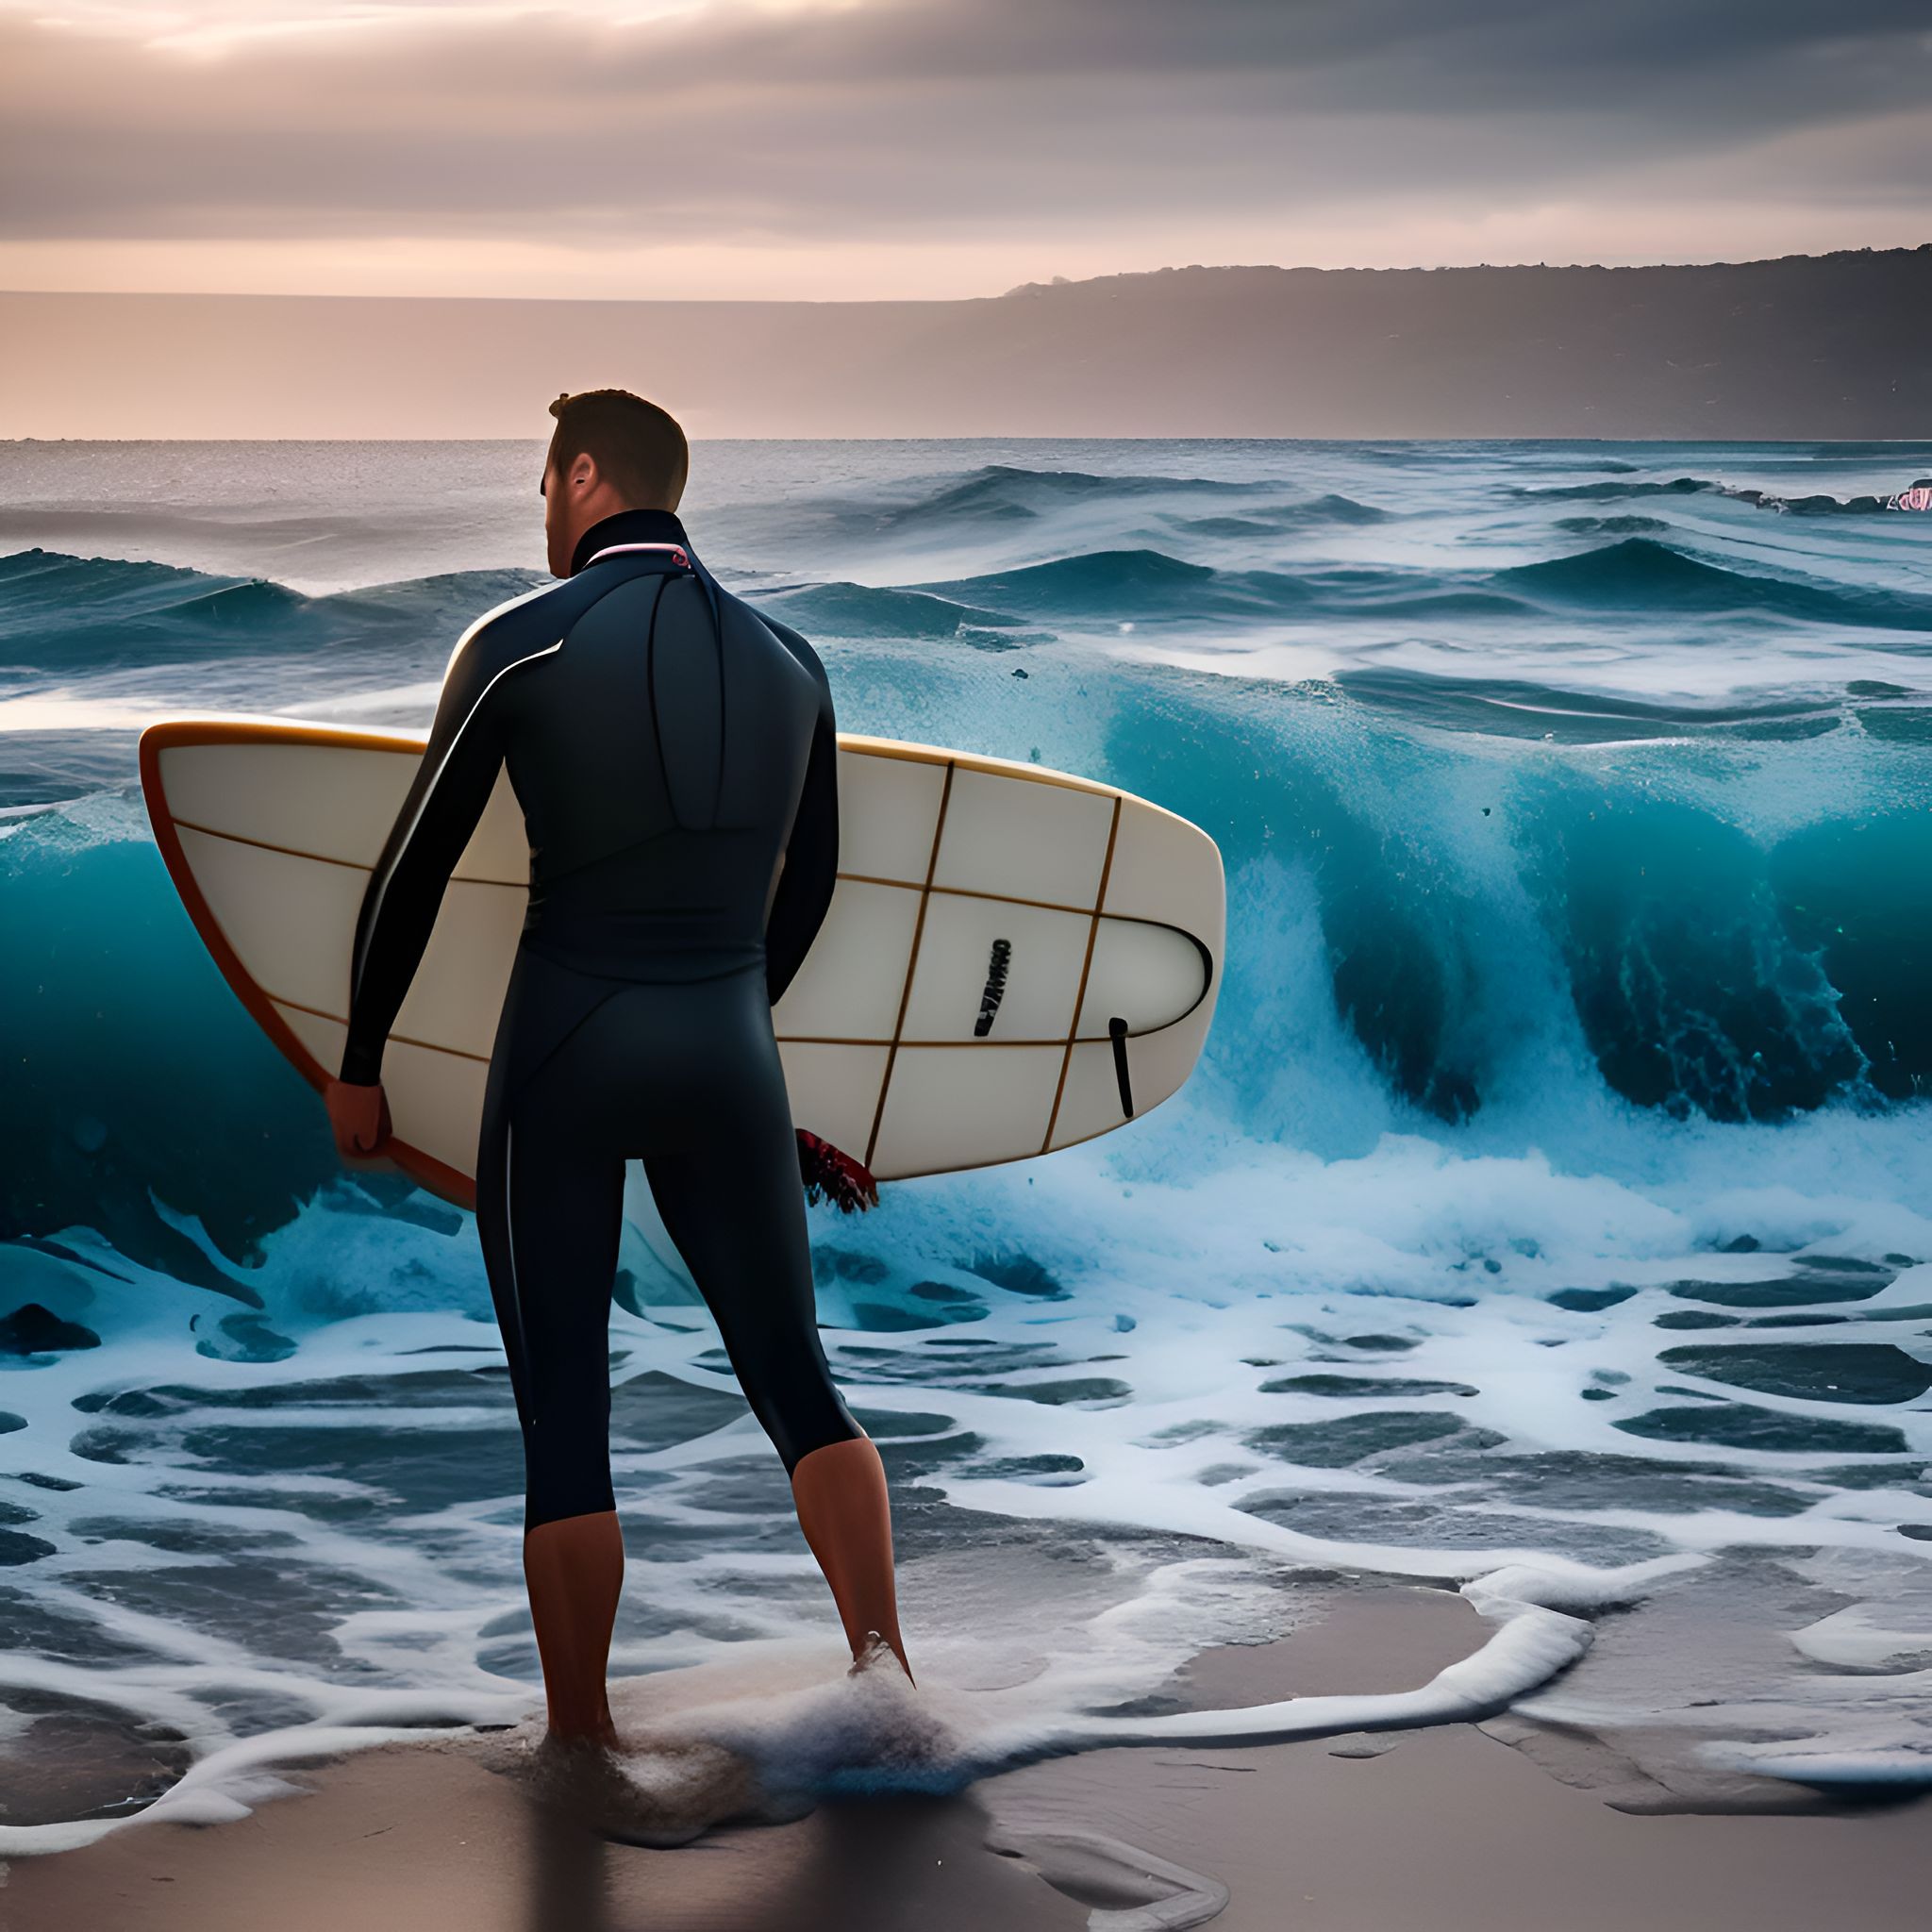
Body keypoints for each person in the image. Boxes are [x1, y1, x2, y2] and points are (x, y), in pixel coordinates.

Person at [321, 389, 914, 1750]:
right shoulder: (792, 661)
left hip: (569, 1053)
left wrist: (360, 1065)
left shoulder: (521, 644)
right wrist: (739, 1043)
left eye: (543, 482)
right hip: (729, 1056)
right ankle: (889, 1684)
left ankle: (583, 1742)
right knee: (796, 1379)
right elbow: (810, 888)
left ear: (584, 476)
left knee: (566, 1416)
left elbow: (414, 865)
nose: (539, 508)